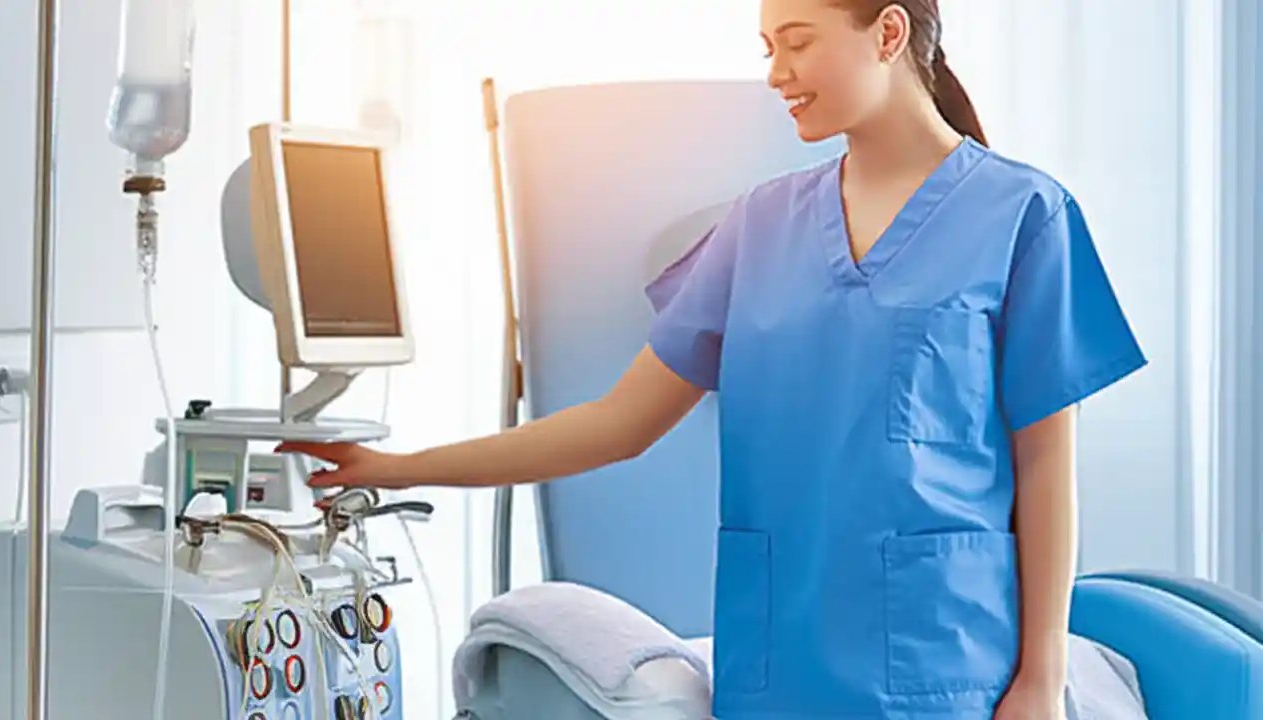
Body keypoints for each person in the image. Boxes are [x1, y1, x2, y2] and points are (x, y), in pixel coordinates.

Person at [279, 0, 1147, 718]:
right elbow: (616, 426)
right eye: (767, 48)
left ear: (887, 34)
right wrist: (396, 468)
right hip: (777, 675)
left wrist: (1039, 679)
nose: (775, 74)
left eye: (797, 43)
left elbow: (1044, 467)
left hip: (947, 669)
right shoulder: (759, 226)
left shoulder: (1022, 215)